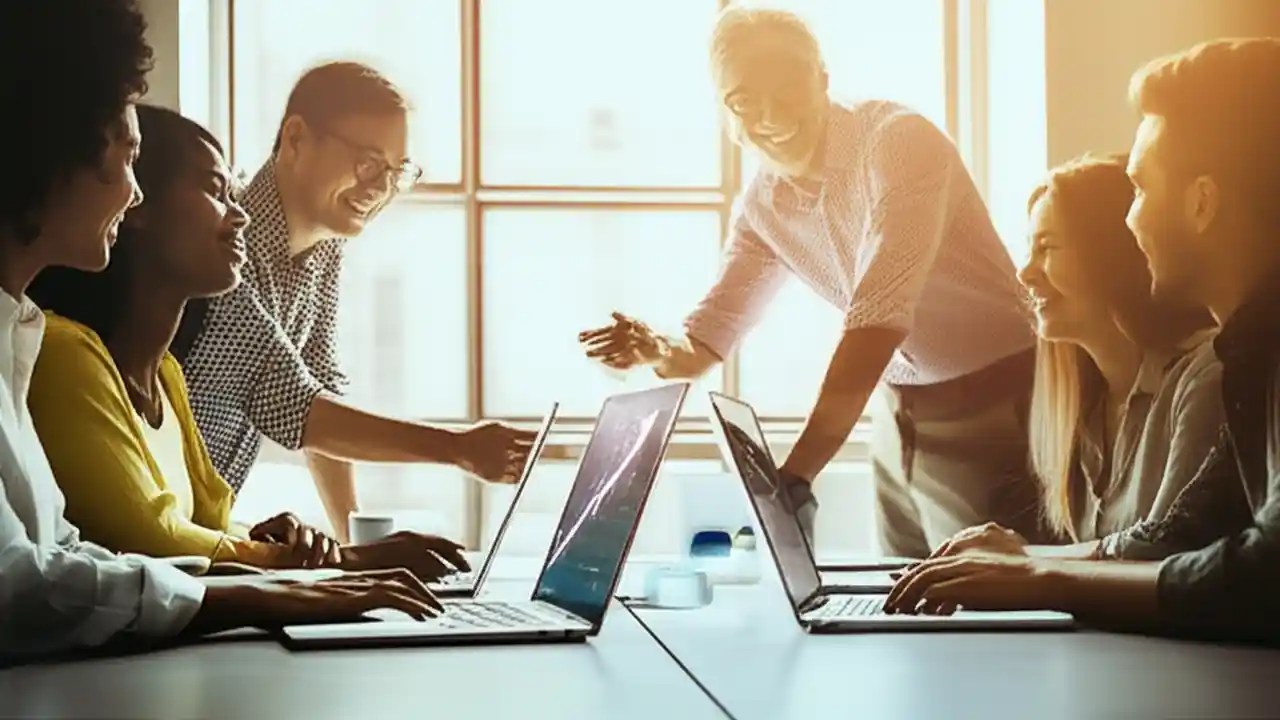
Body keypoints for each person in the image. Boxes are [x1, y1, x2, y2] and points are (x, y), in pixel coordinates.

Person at [0, 0, 440, 661]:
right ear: (59, 148)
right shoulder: (65, 353)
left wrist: (313, 562)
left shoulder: (28, 337)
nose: (134, 191)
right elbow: (45, 578)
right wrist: (301, 580)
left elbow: (67, 551)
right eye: (126, 158)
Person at [579, 7, 1041, 556]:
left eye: (787, 88)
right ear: (724, 110)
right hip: (894, 416)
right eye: (743, 100)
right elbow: (707, 340)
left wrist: (794, 479)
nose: (769, 114)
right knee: (909, 605)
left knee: (1003, 608)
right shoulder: (763, 205)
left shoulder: (897, 142)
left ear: (822, 79)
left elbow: (877, 319)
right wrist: (656, 347)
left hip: (1001, 402)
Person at [885, 38, 1280, 643]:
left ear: (1203, 203)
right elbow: (1179, 535)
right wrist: (1024, 564)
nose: (1130, 218)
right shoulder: (1252, 354)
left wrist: (1044, 581)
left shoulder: (1242, 364)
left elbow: (1261, 572)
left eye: (1141, 189)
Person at [26, 104, 470, 582]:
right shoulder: (64, 355)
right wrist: (349, 560)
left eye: (394, 172)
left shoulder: (167, 377)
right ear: (138, 202)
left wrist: (274, 542)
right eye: (217, 193)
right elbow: (154, 539)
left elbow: (205, 523)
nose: (239, 218)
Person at [172, 61, 535, 540]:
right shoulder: (224, 240)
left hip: (199, 534)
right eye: (368, 162)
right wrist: (458, 448)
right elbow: (299, 406)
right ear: (296, 138)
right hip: (145, 543)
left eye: (396, 172)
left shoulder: (324, 250)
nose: (381, 189)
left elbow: (320, 389)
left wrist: (354, 543)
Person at [923, 155, 1218, 566]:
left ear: (1112, 253)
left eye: (1046, 247)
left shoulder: (1204, 377)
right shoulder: (1086, 412)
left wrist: (1021, 559)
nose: (1025, 273)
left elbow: (1169, 553)